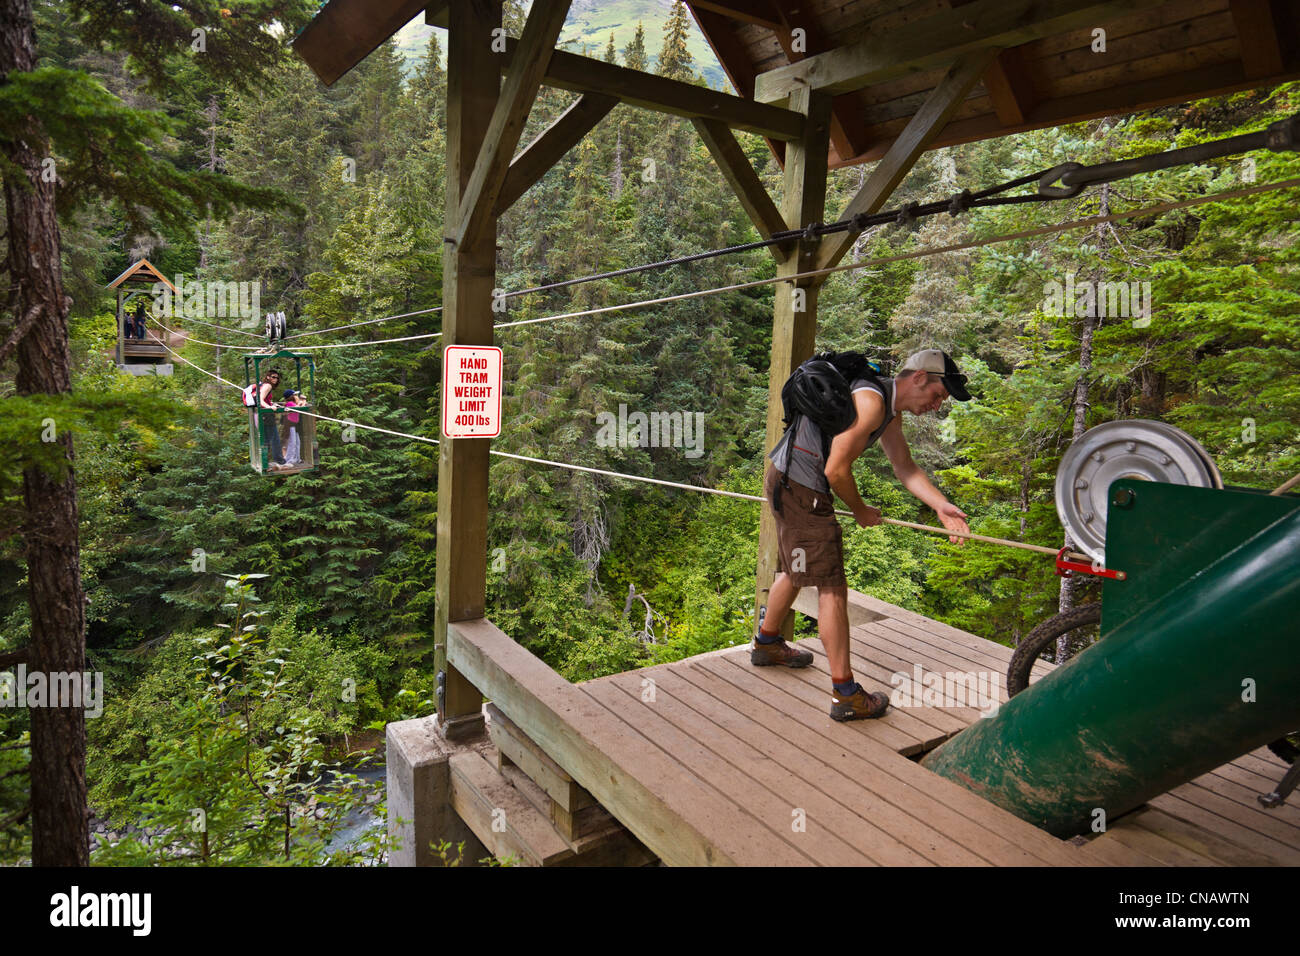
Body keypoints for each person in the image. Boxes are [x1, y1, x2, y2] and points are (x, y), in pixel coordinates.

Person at [755, 348, 974, 721]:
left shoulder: (886, 408)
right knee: (832, 587)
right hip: (803, 488)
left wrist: (940, 506)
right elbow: (836, 470)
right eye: (938, 395)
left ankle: (768, 642)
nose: (937, 406)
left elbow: (904, 466)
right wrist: (859, 510)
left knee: (800, 565)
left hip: (787, 478)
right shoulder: (871, 403)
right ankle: (846, 696)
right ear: (919, 378)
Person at [256, 368, 289, 471]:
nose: (275, 379)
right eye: (273, 377)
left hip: (261, 415)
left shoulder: (262, 385)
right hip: (266, 415)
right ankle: (280, 462)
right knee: (274, 439)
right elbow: (260, 400)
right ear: (268, 377)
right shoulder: (268, 385)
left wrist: (271, 404)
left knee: (265, 440)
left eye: (277, 378)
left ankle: (264, 463)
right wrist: (269, 407)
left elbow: (263, 400)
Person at [282, 388, 303, 467]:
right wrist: (300, 402)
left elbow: (299, 406)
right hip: (290, 424)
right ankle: (288, 460)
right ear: (291, 396)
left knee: (297, 442)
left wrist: (301, 401)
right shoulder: (289, 403)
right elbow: (298, 408)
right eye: (295, 395)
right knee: (292, 442)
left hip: (295, 424)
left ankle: (297, 458)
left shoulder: (293, 402)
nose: (296, 396)